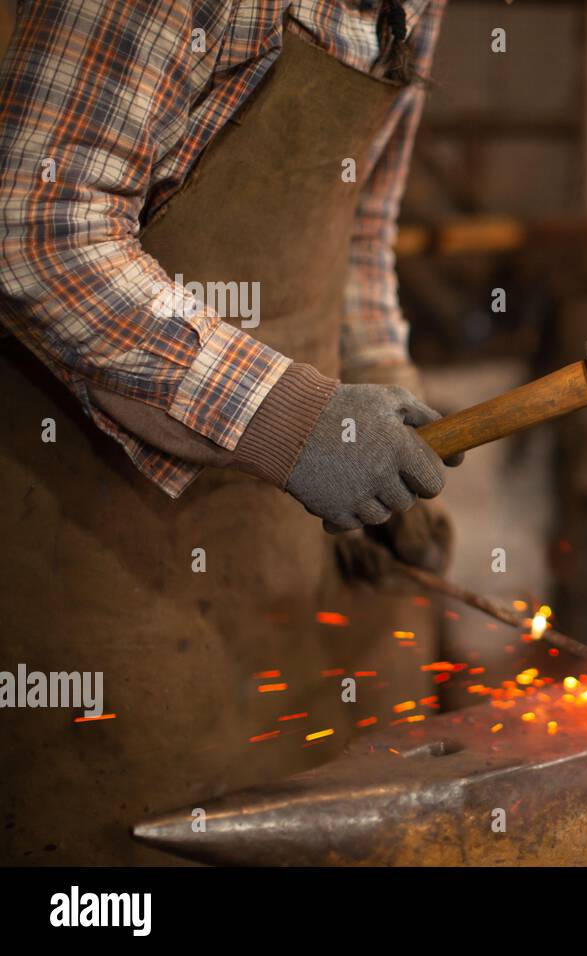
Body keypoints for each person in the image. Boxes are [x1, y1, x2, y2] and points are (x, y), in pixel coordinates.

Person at [0, 0, 454, 863]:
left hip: (286, 547)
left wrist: (384, 389)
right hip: (85, 544)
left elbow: (359, 228)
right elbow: (33, 222)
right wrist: (291, 419)